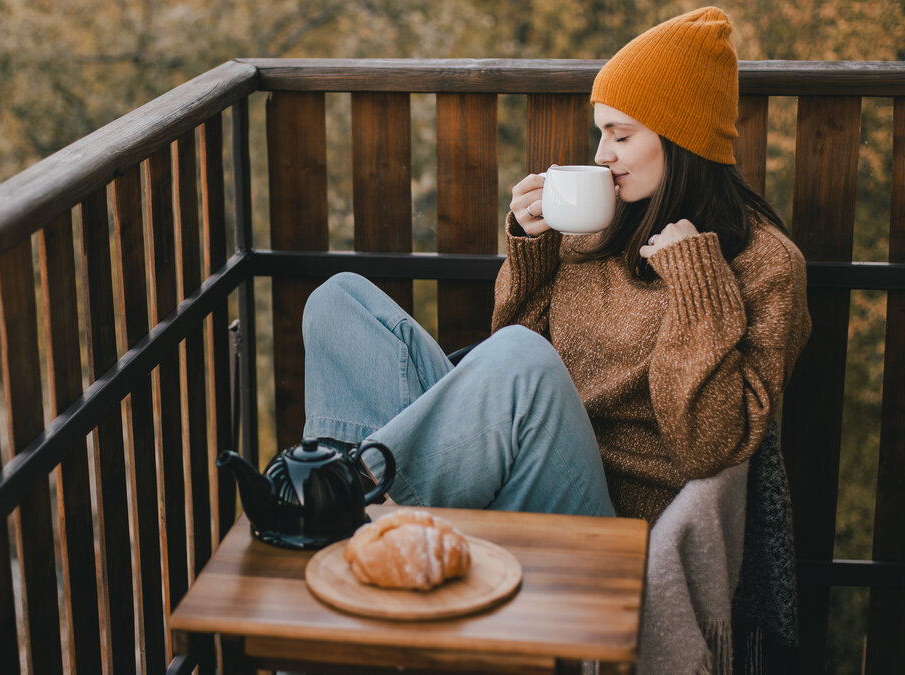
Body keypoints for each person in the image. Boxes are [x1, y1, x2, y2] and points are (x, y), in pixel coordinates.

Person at [301, 6, 811, 523]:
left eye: (621, 134)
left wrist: (696, 282)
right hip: (515, 461)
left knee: (522, 355)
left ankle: (345, 507)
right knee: (339, 302)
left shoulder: (765, 264)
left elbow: (708, 449)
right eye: (601, 134)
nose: (602, 154)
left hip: (610, 514)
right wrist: (533, 248)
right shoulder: (604, 224)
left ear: (682, 137)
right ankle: (351, 493)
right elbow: (506, 362)